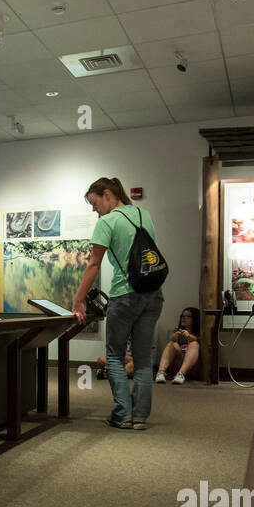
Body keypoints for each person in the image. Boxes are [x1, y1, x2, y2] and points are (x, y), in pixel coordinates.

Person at [72, 177, 163, 431]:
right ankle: (140, 417)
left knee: (114, 356)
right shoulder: (144, 214)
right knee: (144, 360)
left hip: (125, 296)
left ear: (108, 195)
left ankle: (122, 415)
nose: (94, 209)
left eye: (94, 202)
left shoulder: (108, 221)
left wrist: (79, 299)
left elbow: (93, 264)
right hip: (154, 295)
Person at [157, 307, 201, 385]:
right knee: (172, 343)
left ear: (195, 319)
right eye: (182, 316)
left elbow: (200, 342)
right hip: (176, 366)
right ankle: (161, 372)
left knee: (194, 344)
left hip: (193, 368)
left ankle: (181, 374)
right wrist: (174, 338)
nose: (184, 318)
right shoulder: (177, 332)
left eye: (188, 316)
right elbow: (171, 345)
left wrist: (190, 337)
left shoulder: (200, 333)